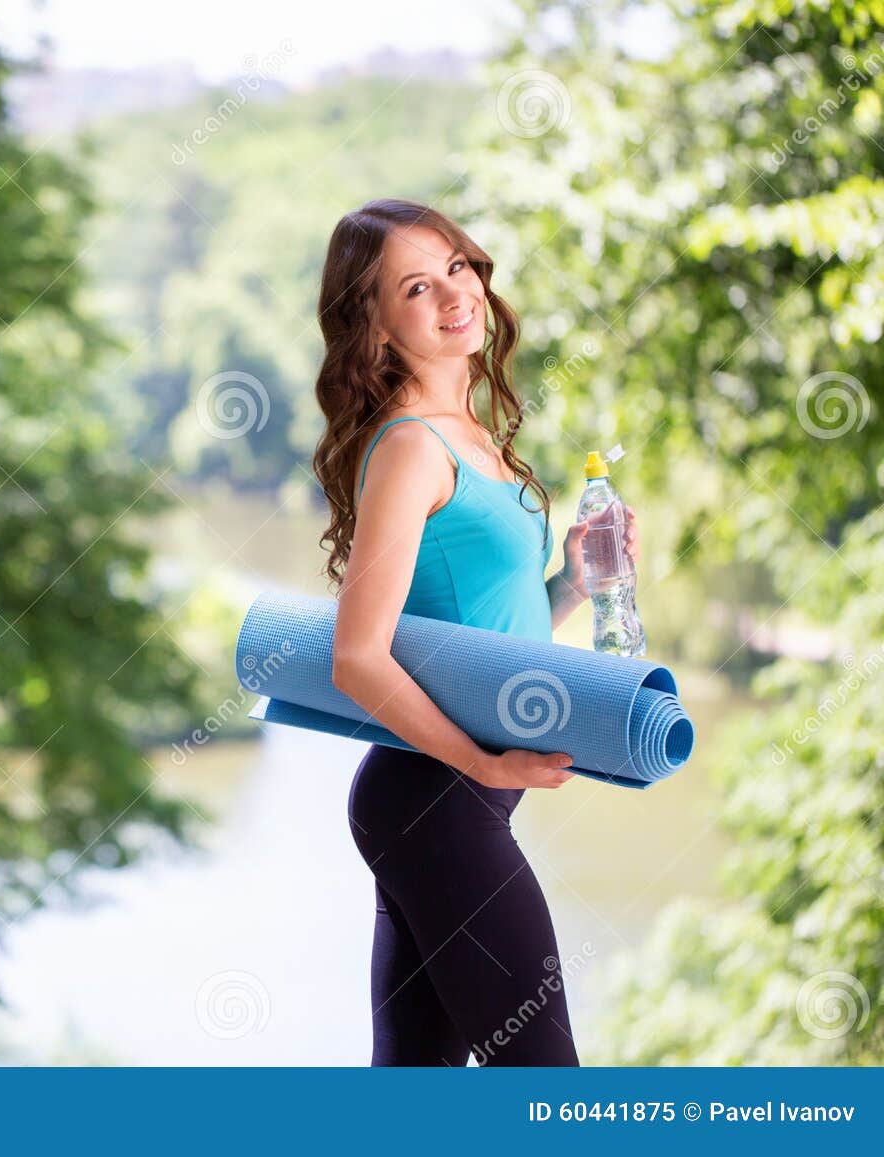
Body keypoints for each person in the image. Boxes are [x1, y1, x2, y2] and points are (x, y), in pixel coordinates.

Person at [311, 198, 639, 1066]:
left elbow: (485, 626)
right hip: (434, 800)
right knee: (541, 1081)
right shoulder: (413, 447)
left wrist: (574, 581)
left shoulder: (473, 437)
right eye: (416, 286)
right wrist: (484, 763)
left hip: (446, 800)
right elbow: (356, 656)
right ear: (376, 326)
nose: (454, 294)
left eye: (456, 266)